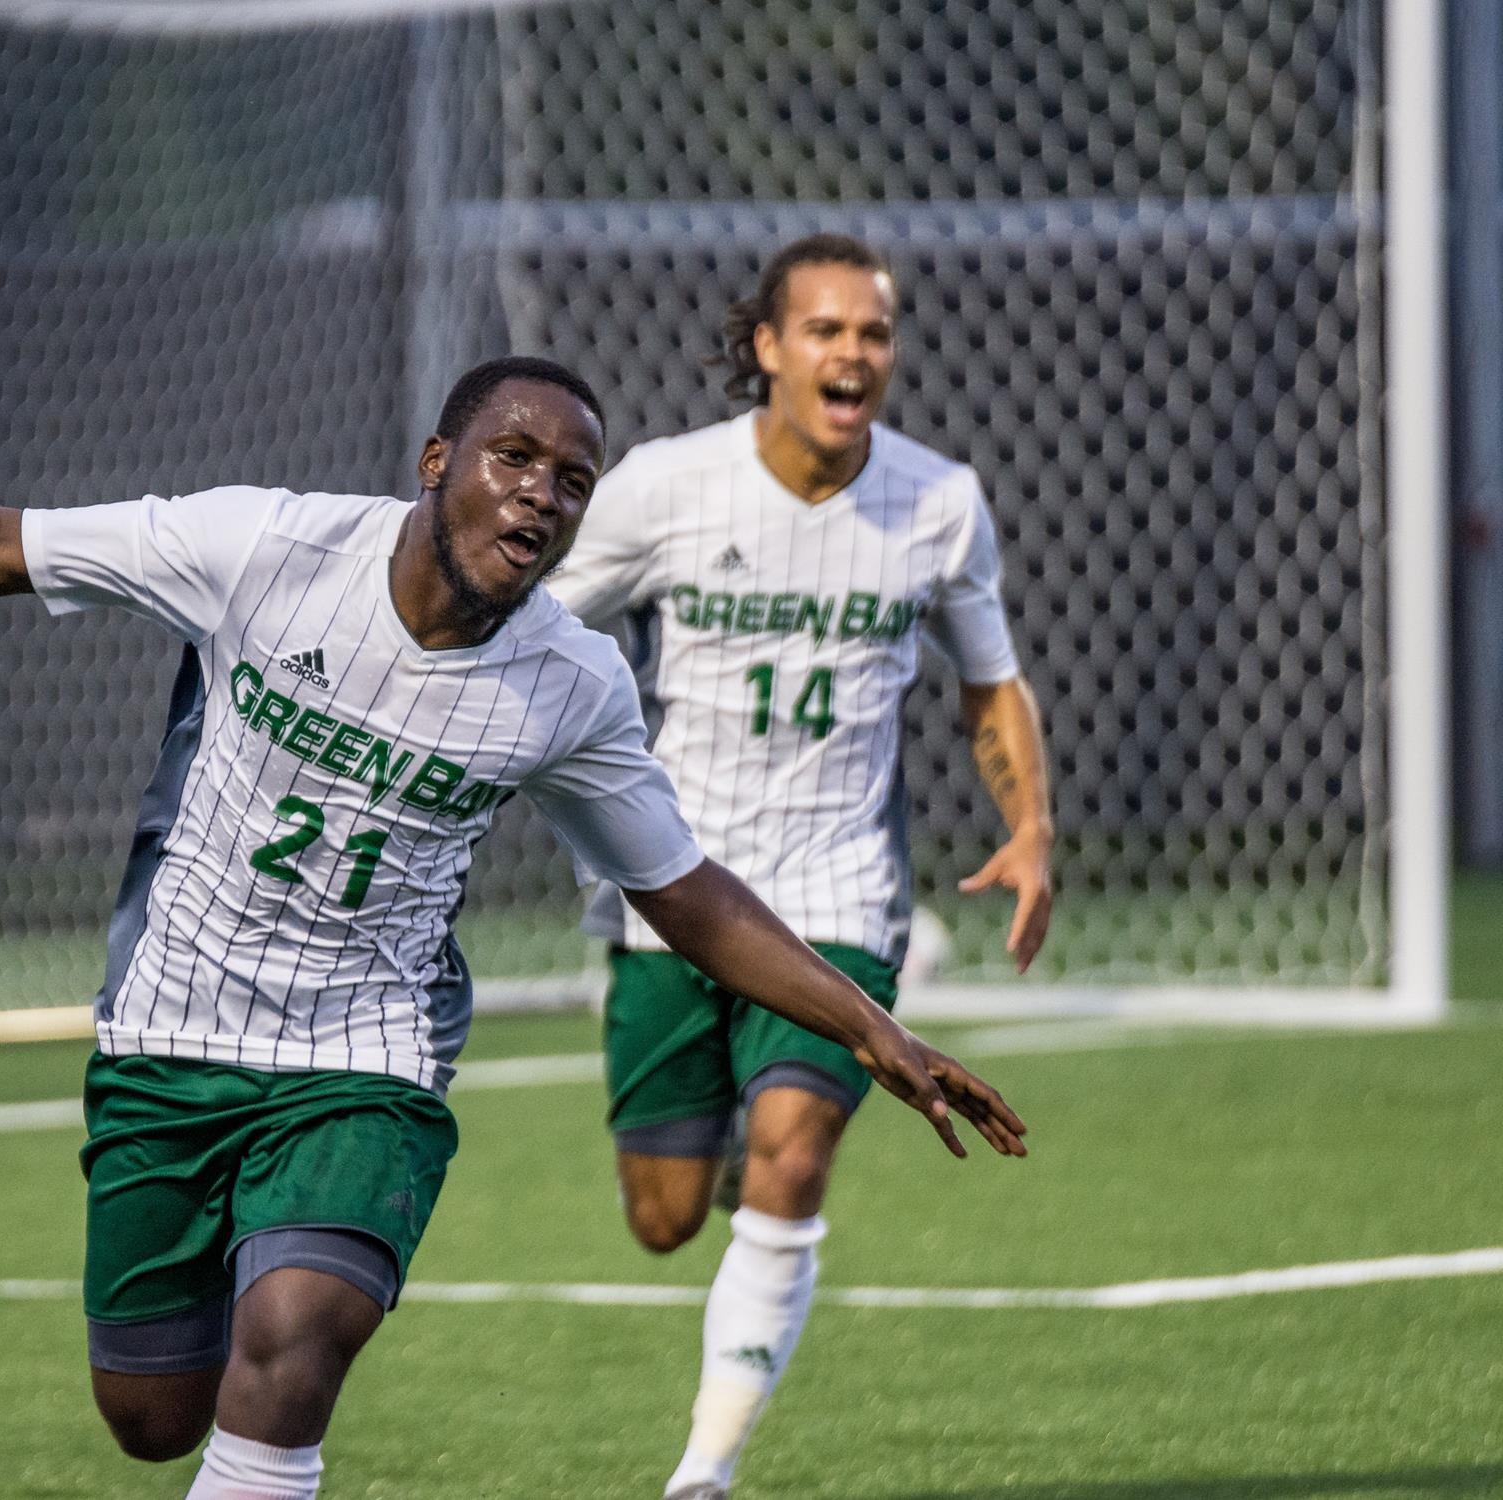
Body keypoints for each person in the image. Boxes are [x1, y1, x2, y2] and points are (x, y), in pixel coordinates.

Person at [0, 354, 1026, 1500]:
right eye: (513, 458)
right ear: (439, 462)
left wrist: (874, 1026)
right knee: (150, 1418)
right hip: (170, 1035)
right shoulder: (262, 547)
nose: (541, 496)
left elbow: (685, 891)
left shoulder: (574, 684)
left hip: (363, 1062)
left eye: (573, 482)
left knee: (297, 1340)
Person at [543, 240, 1055, 1499]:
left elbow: (989, 683)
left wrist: (1031, 826)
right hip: (670, 889)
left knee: (791, 1153)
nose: (852, 354)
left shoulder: (937, 502)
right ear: (765, 347)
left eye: (871, 333)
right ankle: (714, 1149)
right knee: (663, 1218)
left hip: (837, 899)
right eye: (823, 330)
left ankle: (701, 1475)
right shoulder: (664, 489)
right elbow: (535, 623)